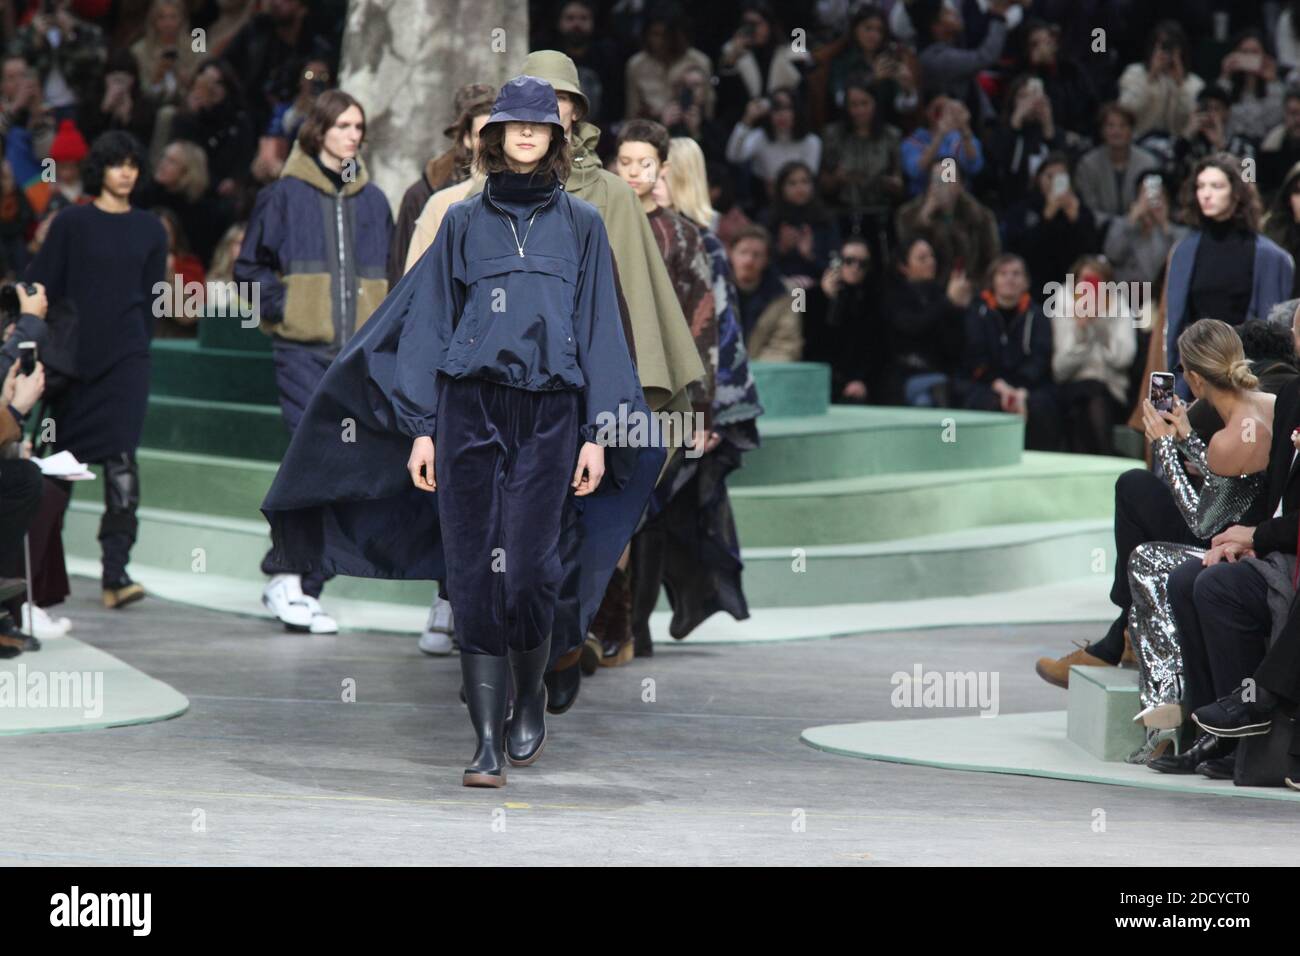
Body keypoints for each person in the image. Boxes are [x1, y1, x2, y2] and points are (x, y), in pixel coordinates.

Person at [260, 75, 656, 789]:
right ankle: (483, 740)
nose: (526, 134)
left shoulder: (584, 228)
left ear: (557, 139)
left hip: (552, 415)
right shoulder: (463, 223)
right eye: (513, 125)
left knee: (533, 568)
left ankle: (530, 694)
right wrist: (420, 428)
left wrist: (600, 433)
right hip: (467, 410)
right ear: (494, 137)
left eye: (539, 126)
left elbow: (602, 331)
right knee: (471, 571)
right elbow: (429, 326)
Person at [423, 51, 705, 708]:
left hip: (575, 399)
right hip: (485, 400)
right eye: (531, 103)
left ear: (572, 113)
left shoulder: (606, 198)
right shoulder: (468, 206)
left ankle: (561, 648)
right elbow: (435, 305)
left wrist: (614, 414)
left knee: (564, 543)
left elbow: (624, 307)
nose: (545, 114)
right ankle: (506, 681)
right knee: (497, 548)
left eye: (560, 100)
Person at [235, 89, 393, 634]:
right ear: (318, 131)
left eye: (358, 126)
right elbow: (248, 272)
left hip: (356, 359)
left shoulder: (374, 202)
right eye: (343, 125)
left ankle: (302, 584)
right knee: (312, 460)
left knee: (338, 466)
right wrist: (290, 312)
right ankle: (288, 576)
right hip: (302, 352)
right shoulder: (283, 198)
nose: (354, 134)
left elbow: (391, 279)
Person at [25, 131, 168, 609]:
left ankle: (116, 573)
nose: (126, 172)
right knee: (60, 466)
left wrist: (138, 347)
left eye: (133, 163)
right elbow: (41, 285)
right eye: (116, 163)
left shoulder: (151, 230)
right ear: (99, 170)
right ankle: (36, 573)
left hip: (127, 360)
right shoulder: (72, 223)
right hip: (75, 360)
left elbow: (151, 300)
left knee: (123, 459)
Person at [1124, 320, 1273, 765]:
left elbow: (1203, 518)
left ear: (1192, 378)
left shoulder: (1233, 436)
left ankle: (1164, 710)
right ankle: (1173, 712)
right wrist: (1188, 438)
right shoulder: (1266, 403)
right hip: (1258, 540)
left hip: (1255, 555)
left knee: (1148, 560)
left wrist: (1165, 449)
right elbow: (1234, 487)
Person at [601, 118, 720, 668]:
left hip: (665, 392)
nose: (634, 173)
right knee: (610, 503)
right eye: (624, 163)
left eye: (644, 164)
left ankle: (630, 628)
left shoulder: (681, 236)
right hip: (606, 383)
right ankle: (603, 625)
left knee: (645, 508)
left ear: (662, 168)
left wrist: (701, 407)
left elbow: (702, 322)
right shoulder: (593, 221)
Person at [1165, 152, 1294, 399]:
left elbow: (1272, 334)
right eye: (1201, 186)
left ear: (1236, 193)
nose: (1206, 193)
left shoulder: (1270, 257)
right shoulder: (1183, 252)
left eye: (1216, 186)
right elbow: (1175, 326)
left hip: (1246, 379)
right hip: (1193, 379)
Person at [388, 83, 493, 288]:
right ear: (464, 136)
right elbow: (407, 279)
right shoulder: (426, 196)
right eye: (480, 133)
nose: (490, 142)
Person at [958, 254, 1058, 450]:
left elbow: (1040, 357)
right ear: (993, 280)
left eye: (1016, 274)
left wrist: (1020, 391)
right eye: (1003, 274)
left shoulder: (1037, 315)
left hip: (1028, 385)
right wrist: (1002, 388)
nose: (1009, 279)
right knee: (987, 404)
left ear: (1026, 282)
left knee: (1041, 406)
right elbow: (976, 357)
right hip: (988, 383)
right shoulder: (977, 312)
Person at [1051, 256, 1137, 455]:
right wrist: (1081, 332)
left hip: (1110, 390)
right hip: (1071, 387)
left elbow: (1123, 359)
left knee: (1091, 397)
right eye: (1085, 280)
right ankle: (1107, 456)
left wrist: (1100, 325)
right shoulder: (1063, 305)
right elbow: (1060, 370)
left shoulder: (1119, 307)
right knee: (1084, 399)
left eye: (1097, 281)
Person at [879, 236, 965, 407]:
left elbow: (956, 344)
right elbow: (912, 326)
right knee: (933, 391)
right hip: (904, 376)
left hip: (939, 371)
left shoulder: (939, 293)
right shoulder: (893, 296)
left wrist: (959, 308)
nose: (930, 262)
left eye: (932, 256)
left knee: (925, 400)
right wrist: (948, 302)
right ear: (903, 266)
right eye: (922, 258)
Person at [1072, 103, 1161, 237]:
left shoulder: (1149, 163)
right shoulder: (1087, 165)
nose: (1116, 131)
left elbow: (1154, 202)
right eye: (1110, 126)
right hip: (1100, 232)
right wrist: (1119, 225)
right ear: (1102, 131)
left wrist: (1135, 219)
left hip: (1141, 229)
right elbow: (1088, 209)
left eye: (1123, 126)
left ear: (1131, 130)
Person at [729, 223, 802, 361]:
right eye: (743, 252)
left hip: (763, 374)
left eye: (757, 255)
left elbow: (788, 344)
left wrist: (753, 372)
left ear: (767, 260)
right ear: (731, 254)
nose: (749, 260)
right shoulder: (712, 290)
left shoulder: (791, 293)